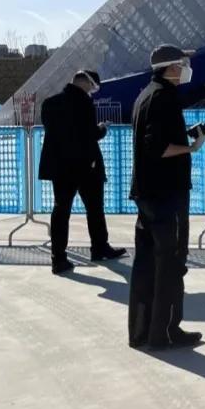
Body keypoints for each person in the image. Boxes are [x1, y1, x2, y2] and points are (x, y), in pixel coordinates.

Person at [128, 46, 205, 350]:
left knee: (146, 264)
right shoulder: (165, 98)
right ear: (172, 67)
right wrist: (193, 147)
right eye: (182, 63)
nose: (186, 68)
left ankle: (142, 331)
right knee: (171, 263)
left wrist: (184, 137)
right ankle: (165, 331)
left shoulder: (145, 94)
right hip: (167, 193)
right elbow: (158, 146)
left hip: (147, 192)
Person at [38, 69, 125, 274]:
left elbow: (55, 132)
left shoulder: (49, 103)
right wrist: (103, 128)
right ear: (86, 82)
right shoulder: (84, 103)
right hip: (86, 166)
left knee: (61, 210)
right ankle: (99, 247)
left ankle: (58, 258)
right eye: (93, 87)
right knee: (95, 208)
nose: (92, 91)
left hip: (60, 168)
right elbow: (90, 134)